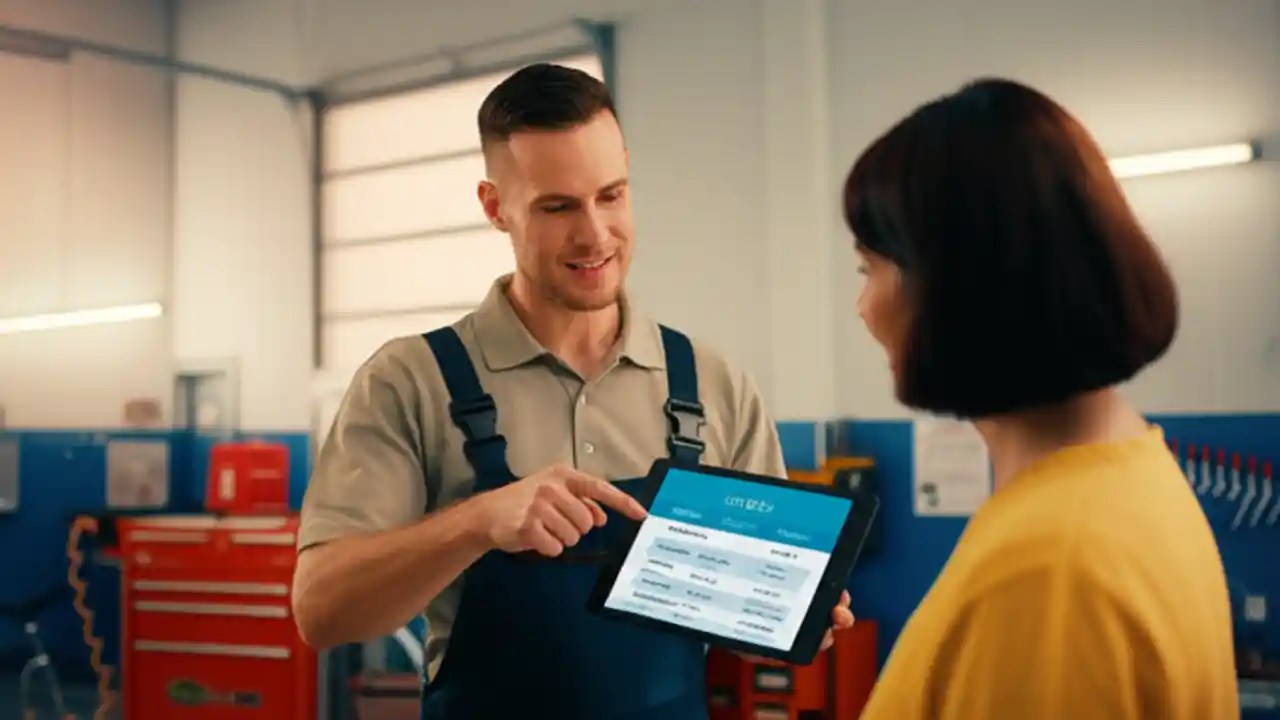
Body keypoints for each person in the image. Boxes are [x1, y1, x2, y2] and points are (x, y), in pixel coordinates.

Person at [291, 63, 853, 720]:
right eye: (558, 207)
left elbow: (756, 630)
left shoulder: (713, 385)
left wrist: (790, 615)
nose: (594, 235)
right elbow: (322, 612)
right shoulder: (408, 382)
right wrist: (478, 523)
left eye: (611, 195)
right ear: (495, 206)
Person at [843, 78, 1238, 719]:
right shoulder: (1130, 475)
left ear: (959, 285)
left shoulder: (1051, 572)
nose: (863, 308)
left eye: (871, 268)